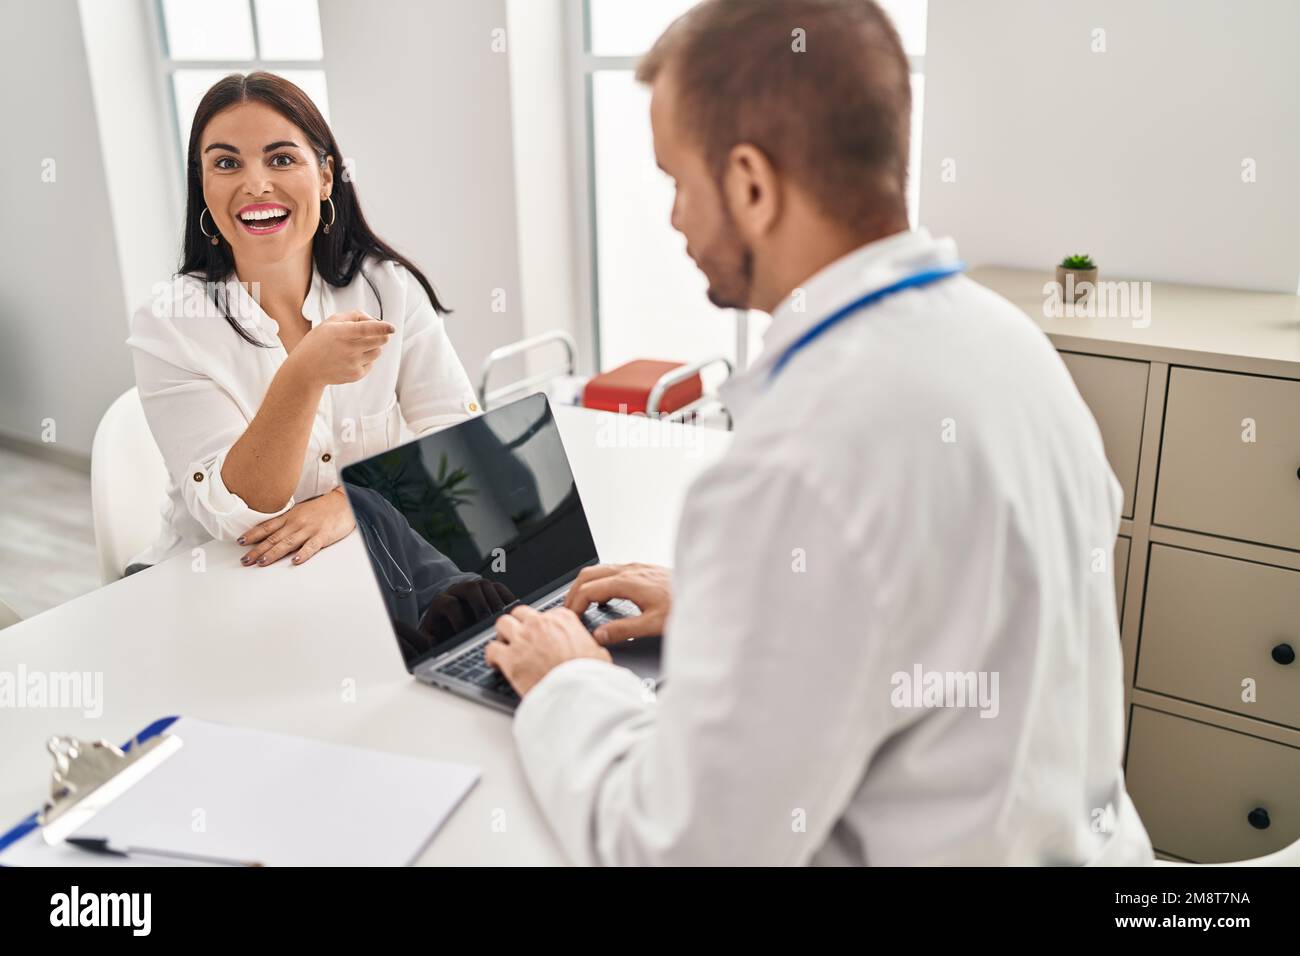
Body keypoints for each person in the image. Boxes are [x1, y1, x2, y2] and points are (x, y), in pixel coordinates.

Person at [485, 0, 1154, 865]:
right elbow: (955, 616)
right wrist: (744, 618)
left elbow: (678, 850)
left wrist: (567, 682)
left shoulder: (799, 459)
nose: (675, 219)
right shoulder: (1009, 346)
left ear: (753, 185)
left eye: (677, 182)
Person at [125, 72, 479, 574]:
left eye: (281, 158)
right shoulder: (169, 323)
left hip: (355, 567)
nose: (255, 184)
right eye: (226, 163)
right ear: (202, 186)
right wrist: (303, 374)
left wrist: (355, 503)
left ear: (326, 175)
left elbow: (458, 440)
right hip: (217, 578)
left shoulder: (389, 289)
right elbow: (238, 513)